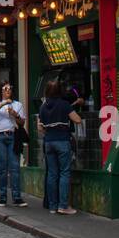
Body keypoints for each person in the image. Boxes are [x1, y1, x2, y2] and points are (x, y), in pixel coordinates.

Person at [37, 79, 81, 215]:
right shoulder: (64, 104)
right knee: (64, 173)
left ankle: (52, 206)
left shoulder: (43, 107)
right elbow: (77, 120)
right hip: (62, 140)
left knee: (52, 173)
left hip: (49, 142)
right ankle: (63, 206)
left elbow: (40, 127)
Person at [0, 82, 27, 207]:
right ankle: (2, 196)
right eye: (5, 88)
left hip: (12, 137)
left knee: (15, 167)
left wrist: (15, 115)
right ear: (1, 90)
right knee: (2, 168)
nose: (8, 90)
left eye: (10, 88)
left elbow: (22, 122)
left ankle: (17, 196)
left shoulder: (17, 104)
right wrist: (4, 103)